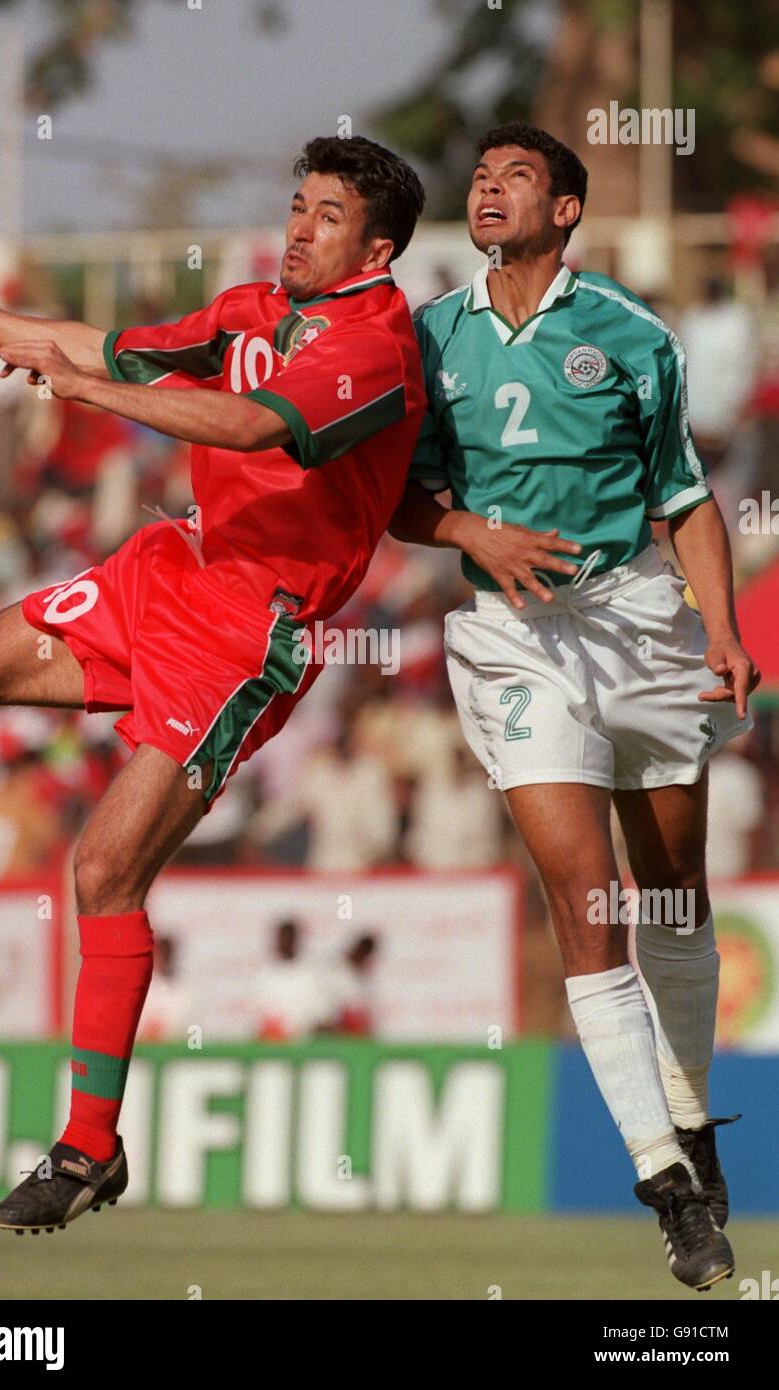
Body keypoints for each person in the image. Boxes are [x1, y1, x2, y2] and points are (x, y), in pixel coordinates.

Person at [0, 133, 426, 1233]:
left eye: (326, 215)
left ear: (376, 246)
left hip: (247, 634)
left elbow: (252, 426)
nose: (297, 225)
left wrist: (90, 391)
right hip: (170, 570)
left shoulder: (375, 345)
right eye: (296, 204)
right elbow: (82, 340)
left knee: (101, 867)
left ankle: (88, 1149)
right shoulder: (249, 309)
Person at [389, 121, 760, 1292]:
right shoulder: (426, 334)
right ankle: (662, 1179)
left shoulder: (633, 337)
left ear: (564, 213)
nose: (488, 189)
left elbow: (687, 496)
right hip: (512, 641)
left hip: (641, 622)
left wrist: (724, 629)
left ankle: (693, 1120)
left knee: (670, 892)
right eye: (481, 175)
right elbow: (396, 498)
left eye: (516, 179)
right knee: (581, 893)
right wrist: (463, 529)